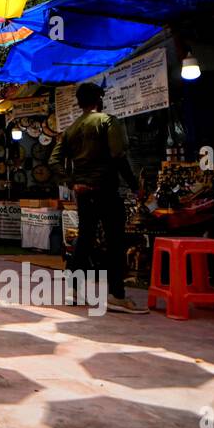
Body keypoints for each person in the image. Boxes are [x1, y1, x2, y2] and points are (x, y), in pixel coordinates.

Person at [49, 82, 148, 314]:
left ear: (79, 102)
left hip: (83, 192)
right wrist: (135, 186)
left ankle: (73, 291)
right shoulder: (107, 121)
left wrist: (73, 182)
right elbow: (118, 155)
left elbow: (53, 161)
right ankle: (117, 295)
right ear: (100, 99)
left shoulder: (71, 129)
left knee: (85, 239)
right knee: (115, 242)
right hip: (106, 189)